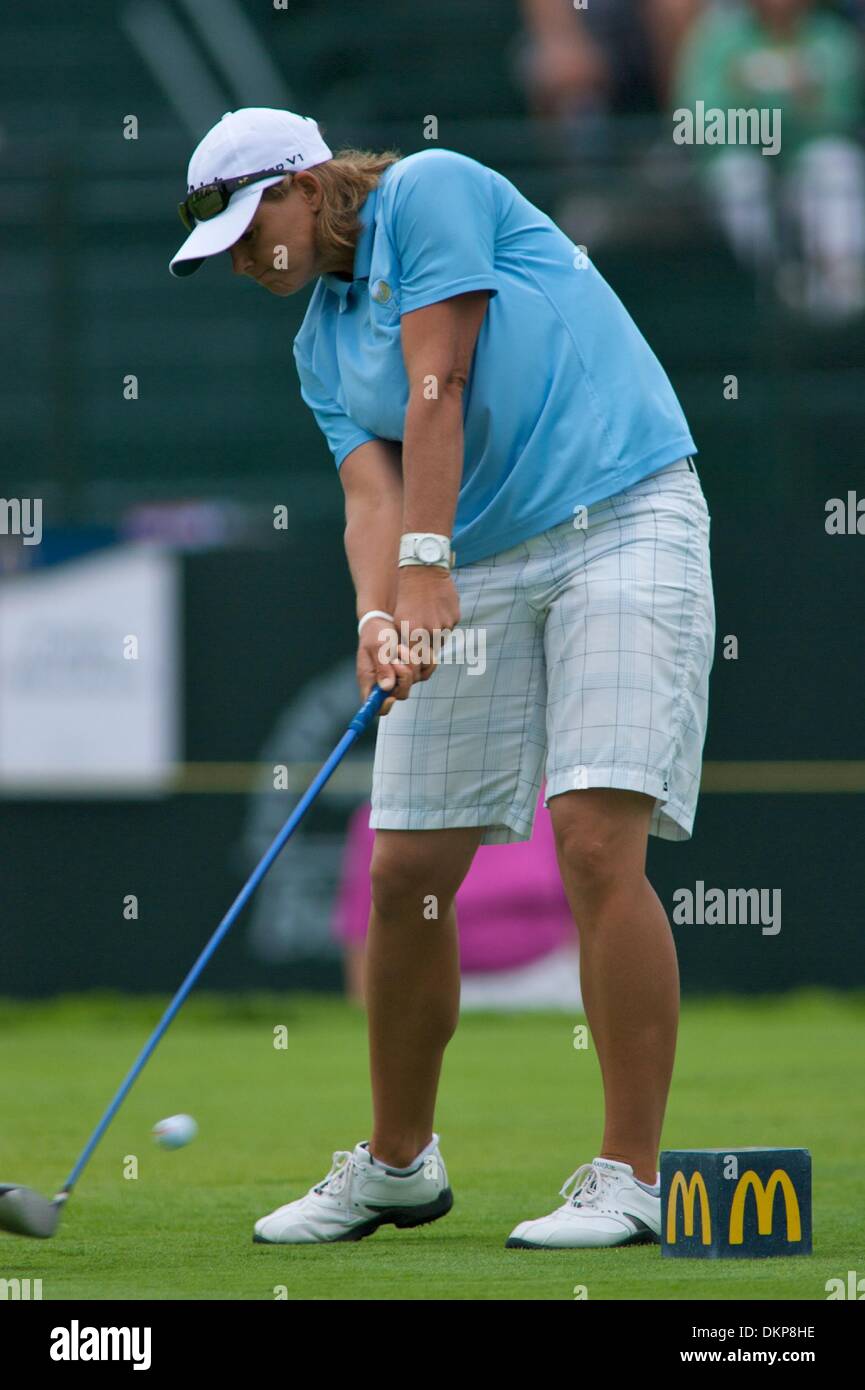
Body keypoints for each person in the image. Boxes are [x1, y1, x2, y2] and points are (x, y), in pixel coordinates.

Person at [170, 107, 716, 1249]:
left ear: (306, 184)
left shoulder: (434, 189)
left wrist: (424, 568)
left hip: (621, 513)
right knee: (407, 864)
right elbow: (371, 496)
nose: (240, 259)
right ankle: (400, 1164)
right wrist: (379, 616)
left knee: (592, 833)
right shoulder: (317, 342)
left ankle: (630, 1175)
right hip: (476, 556)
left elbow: (439, 383)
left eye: (245, 227)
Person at [675, 0, 865, 320]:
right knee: (740, 175)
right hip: (741, 158)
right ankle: (777, 281)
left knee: (835, 163)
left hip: (806, 157)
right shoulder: (721, 36)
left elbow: (844, 117)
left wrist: (806, 103)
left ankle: (842, 286)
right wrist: (746, 98)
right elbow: (694, 120)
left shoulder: (830, 34)